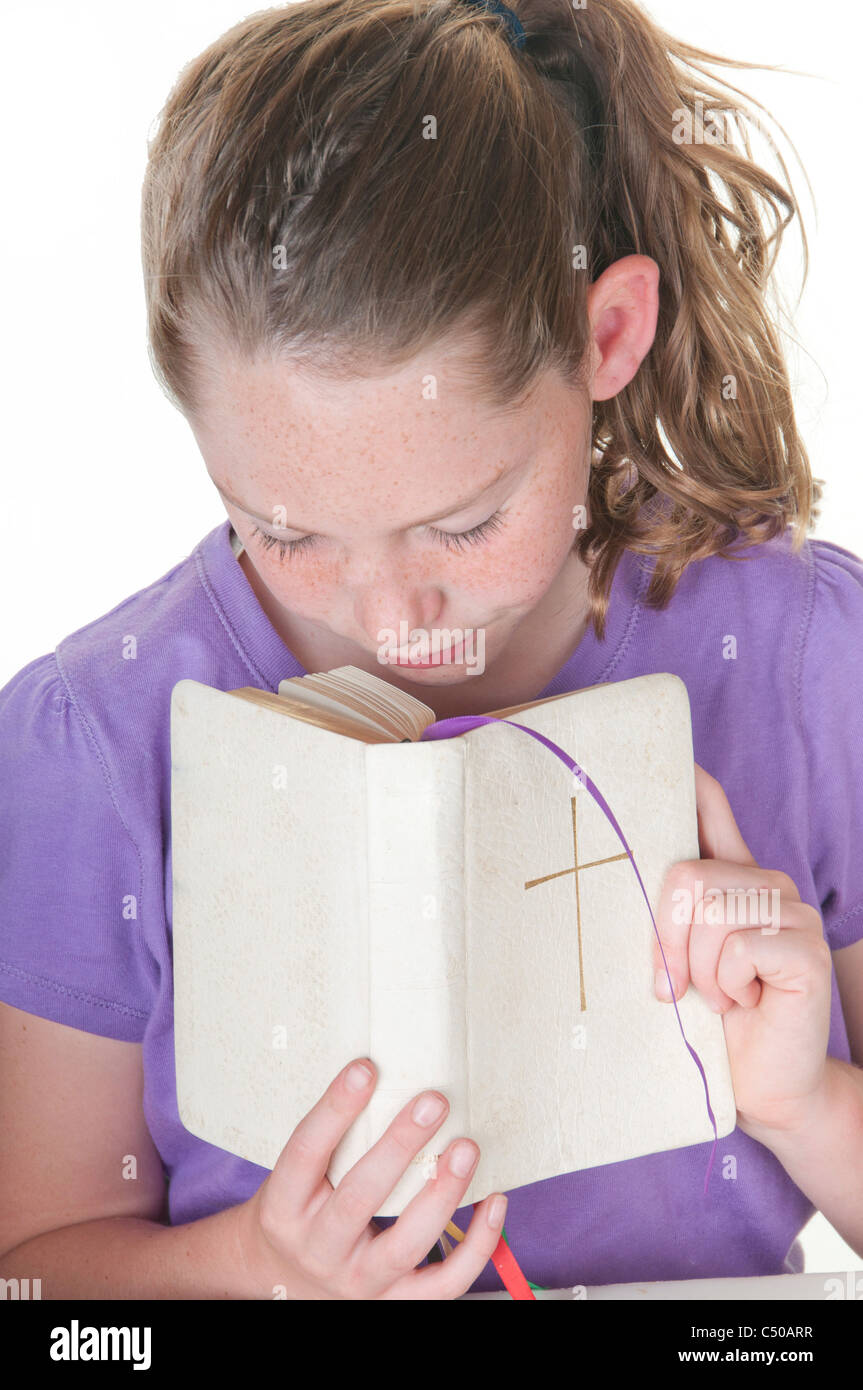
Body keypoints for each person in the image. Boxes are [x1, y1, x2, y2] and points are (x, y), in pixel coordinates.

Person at [1, 0, 862, 1300]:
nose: (386, 613)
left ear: (606, 338)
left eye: (462, 522)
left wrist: (810, 1102)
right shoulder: (94, 742)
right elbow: (33, 1281)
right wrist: (256, 1266)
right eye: (282, 531)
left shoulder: (809, 661)